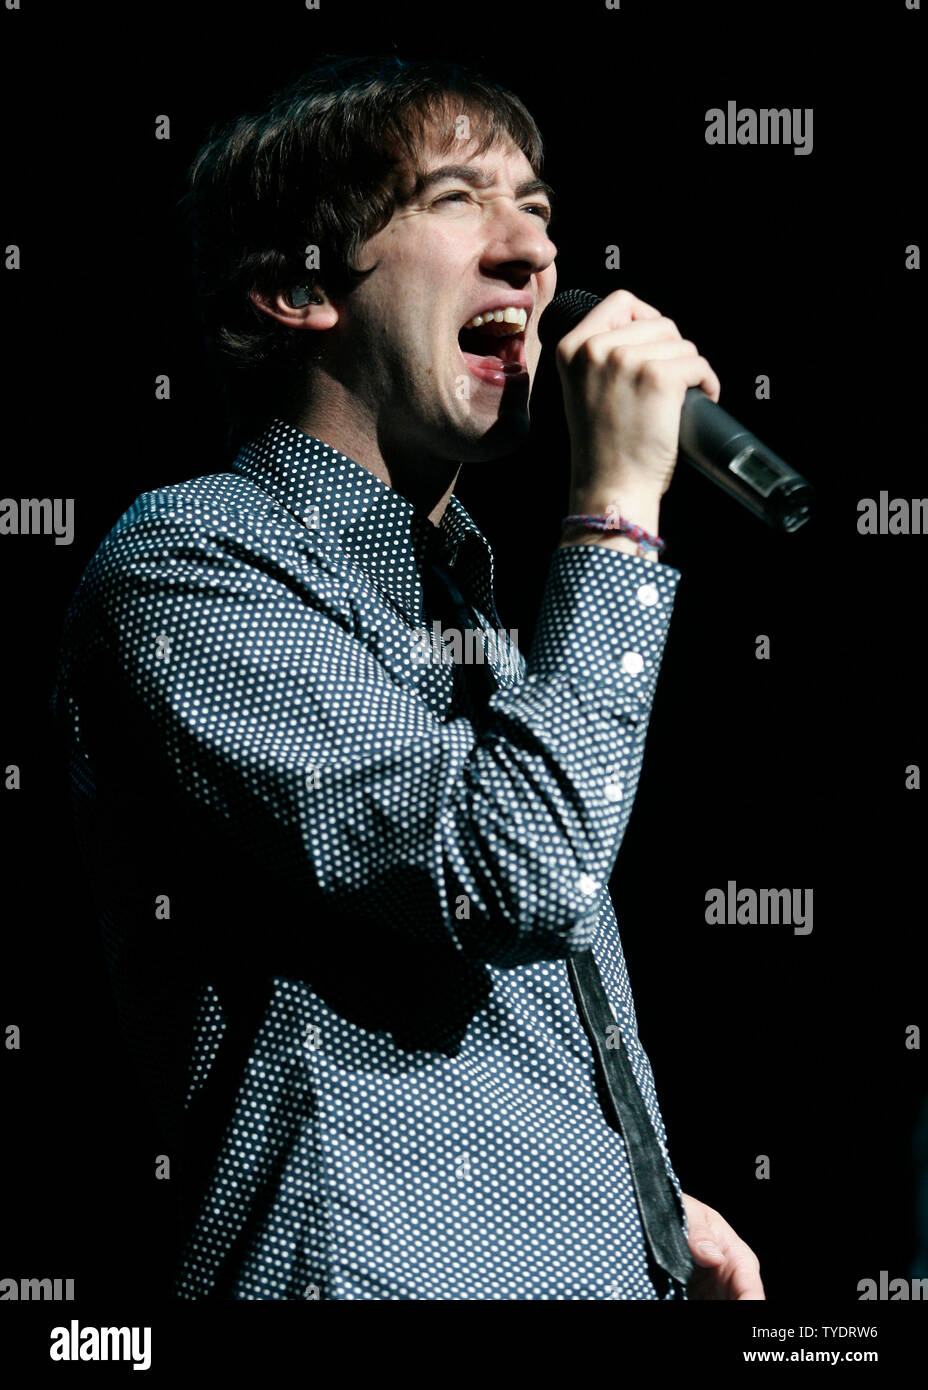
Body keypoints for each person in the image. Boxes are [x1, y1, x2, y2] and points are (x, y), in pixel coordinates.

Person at [50, 54, 764, 1301]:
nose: (530, 255)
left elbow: (488, 987)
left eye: (537, 211)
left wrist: (632, 1199)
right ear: (292, 287)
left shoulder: (471, 603)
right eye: (455, 201)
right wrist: (615, 516)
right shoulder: (190, 559)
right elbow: (511, 869)